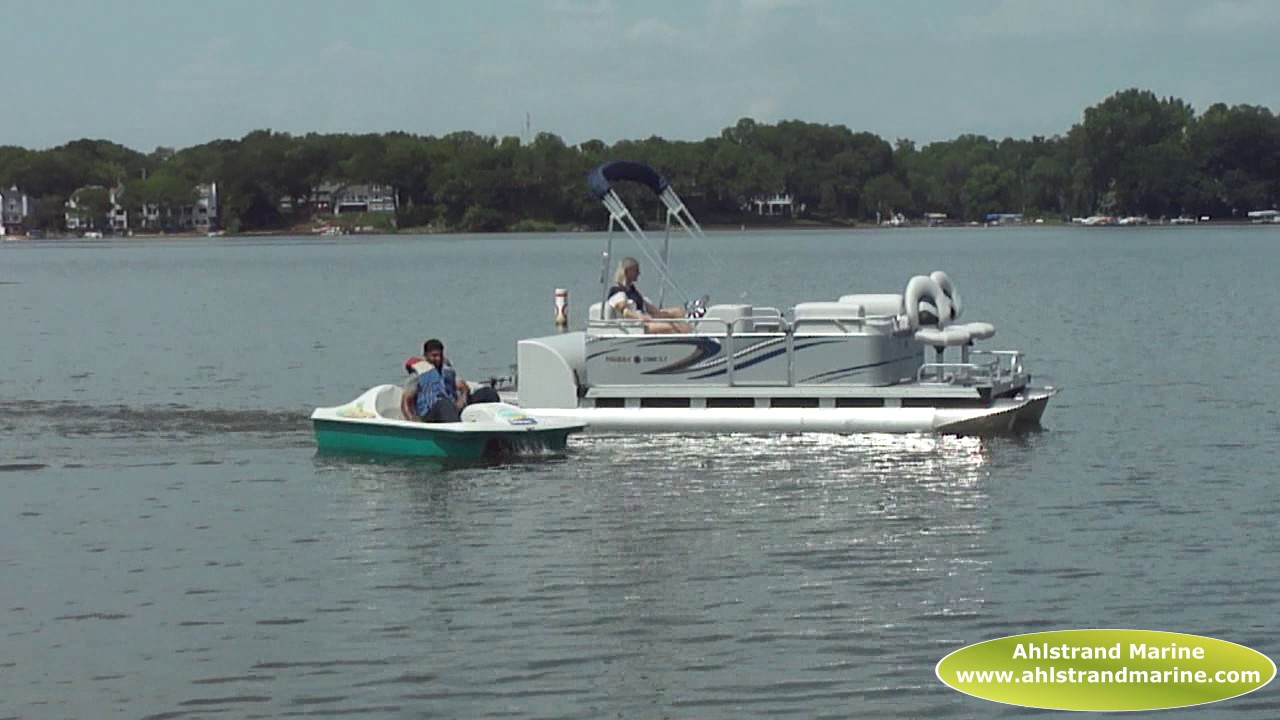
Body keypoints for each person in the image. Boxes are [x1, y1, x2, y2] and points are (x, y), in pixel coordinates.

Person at [401, 339, 501, 422]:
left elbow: (463, 387)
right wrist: (412, 419)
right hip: (431, 414)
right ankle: (458, 435)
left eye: (440, 355)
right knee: (444, 404)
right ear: (426, 355)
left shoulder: (446, 369)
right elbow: (405, 401)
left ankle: (499, 428)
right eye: (434, 356)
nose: (438, 359)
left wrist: (462, 398)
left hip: (452, 408)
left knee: (488, 392)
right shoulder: (417, 374)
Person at [607, 256, 694, 334]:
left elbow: (647, 307)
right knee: (673, 327)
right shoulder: (617, 291)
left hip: (645, 320)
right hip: (635, 326)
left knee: (678, 312)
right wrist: (640, 317)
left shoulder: (632, 290)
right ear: (627, 271)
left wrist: (663, 313)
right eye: (636, 270)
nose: (639, 273)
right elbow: (625, 311)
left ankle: (694, 319)